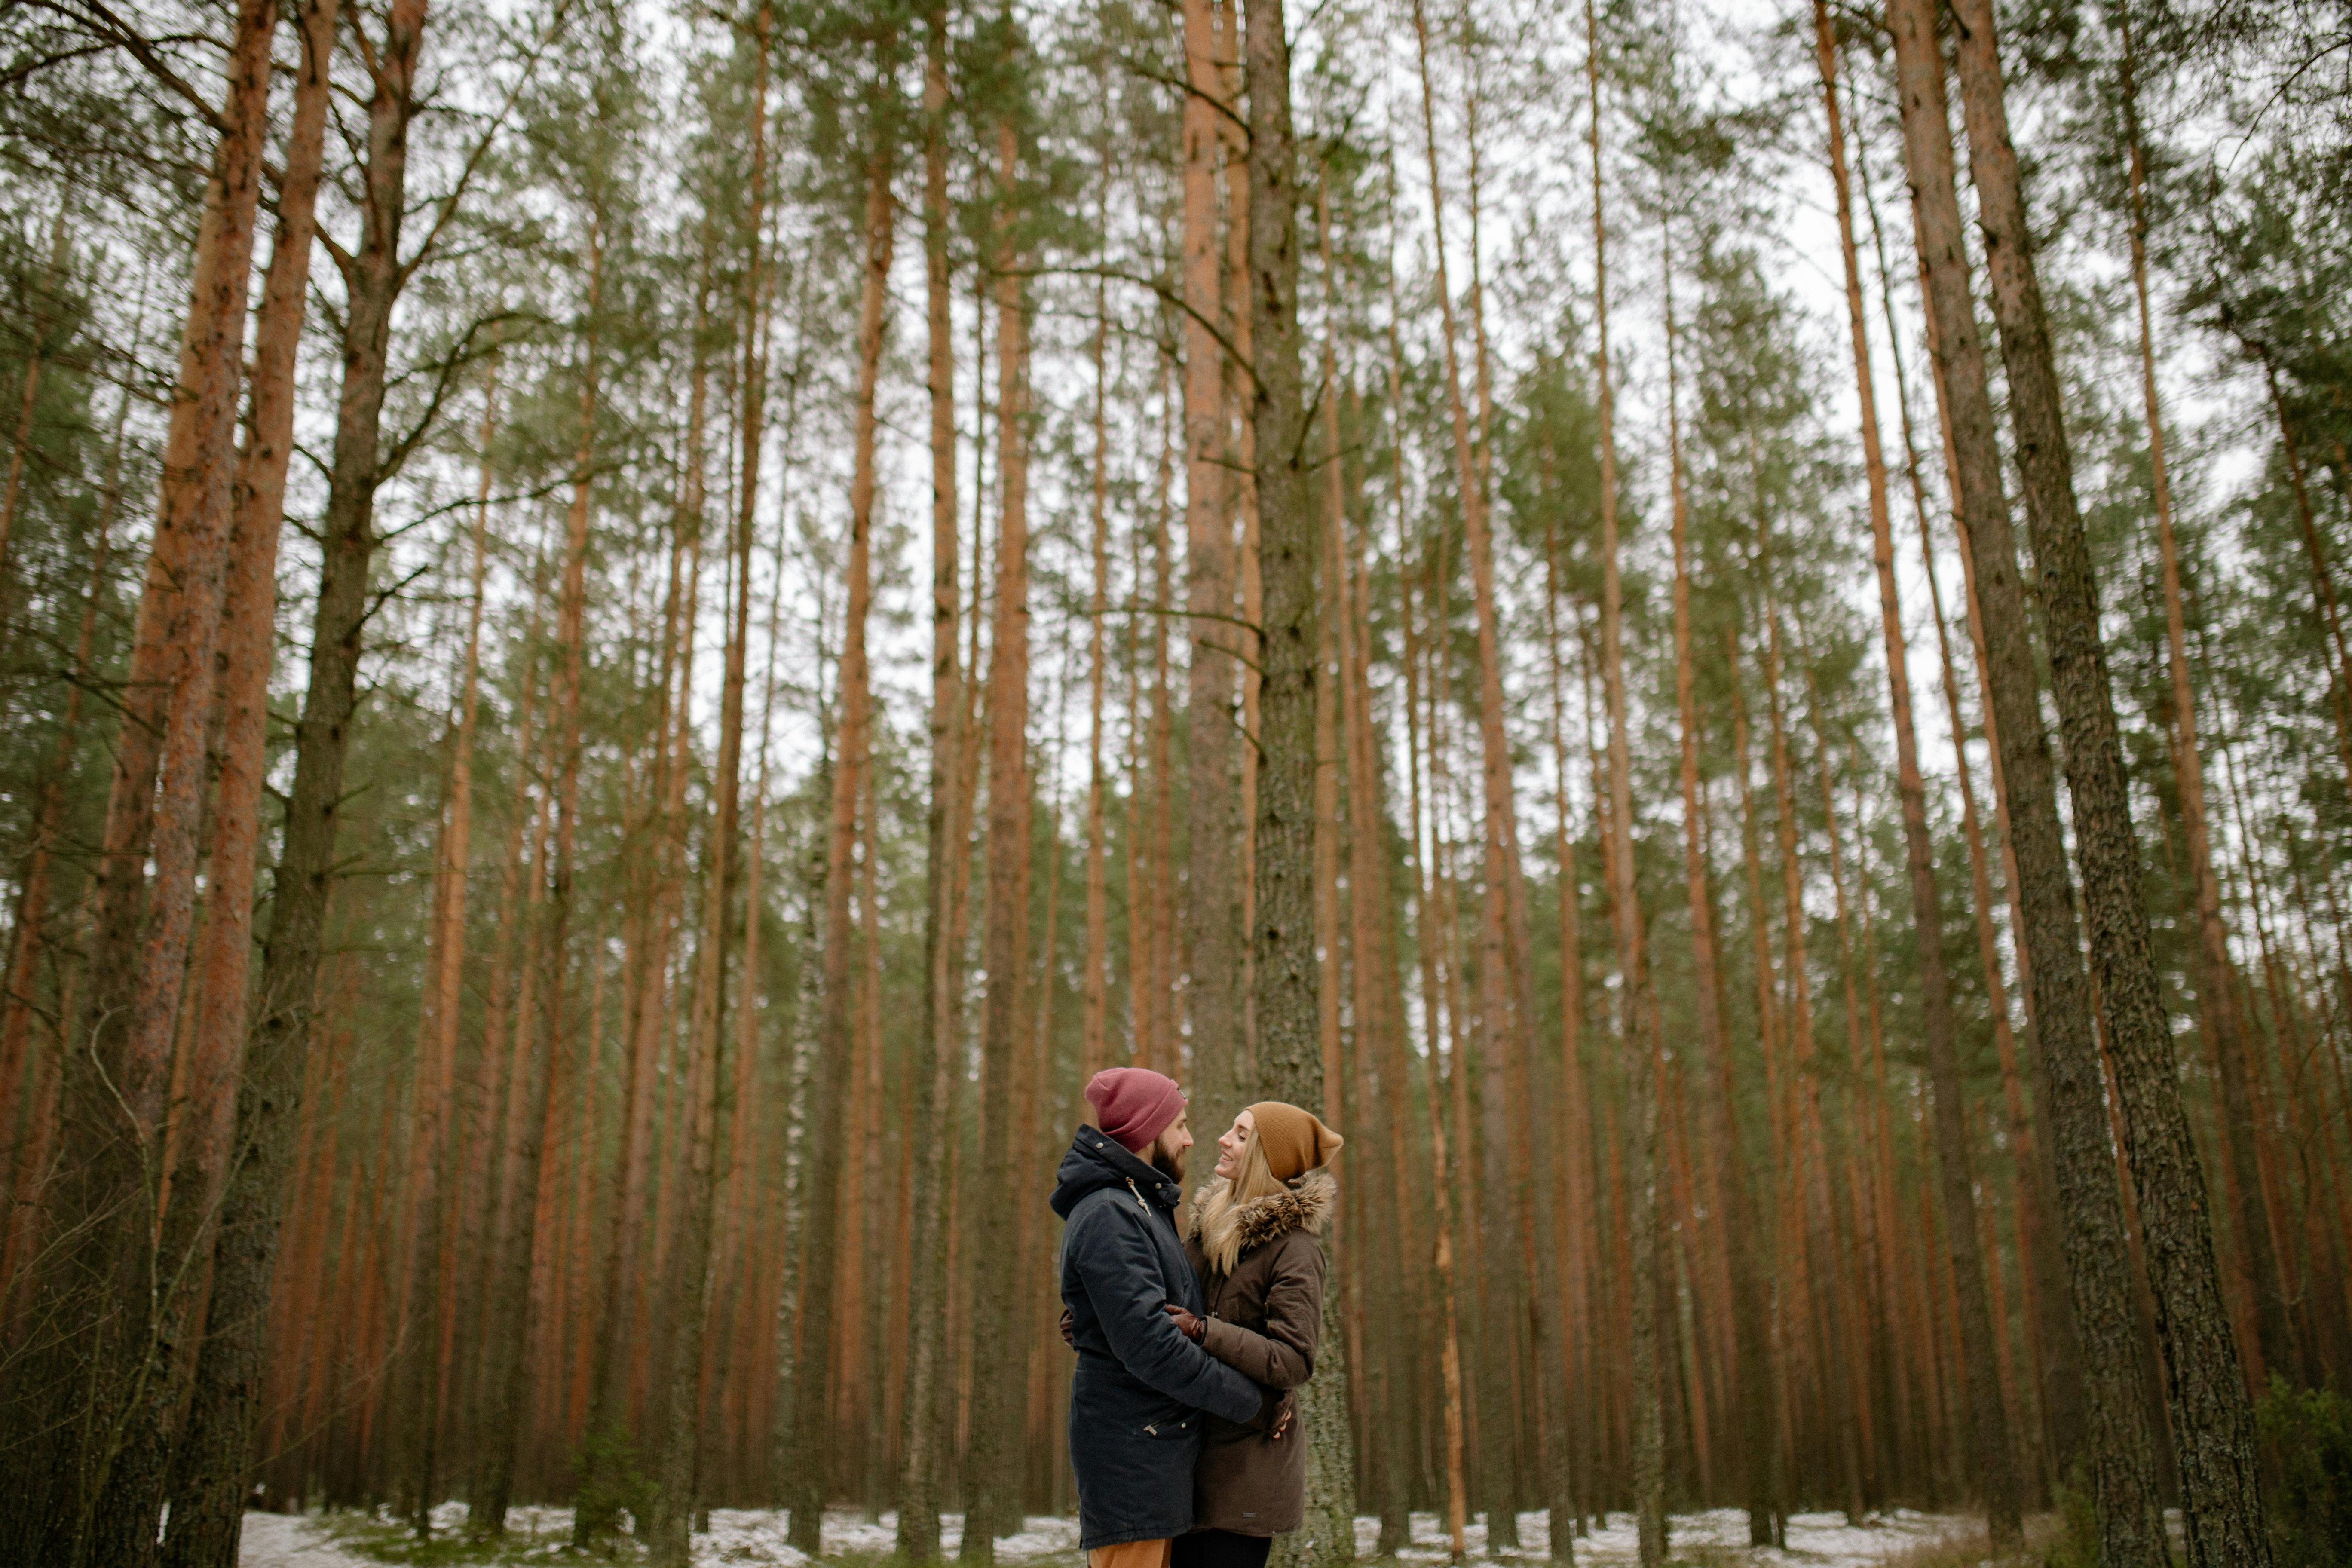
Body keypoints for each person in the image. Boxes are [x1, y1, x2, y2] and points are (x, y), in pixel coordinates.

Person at [1053, 1068, 1282, 1568]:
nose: (1190, 1138)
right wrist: (1250, 1403)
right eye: (1179, 1125)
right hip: (1132, 1465)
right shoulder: (1112, 1212)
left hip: (1153, 1460)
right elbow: (1153, 1346)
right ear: (1145, 1131)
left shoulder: (1139, 1204)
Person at [1165, 1101, 1344, 1568]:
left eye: (1242, 1135)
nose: (1223, 1139)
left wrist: (1205, 1331)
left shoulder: (1296, 1251)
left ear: (1269, 1158)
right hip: (1189, 1457)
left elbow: (1294, 1359)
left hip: (1249, 1468)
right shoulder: (1207, 1231)